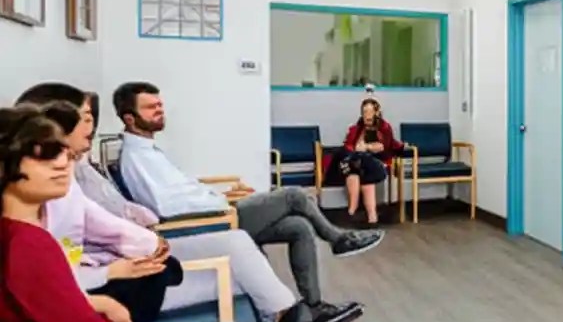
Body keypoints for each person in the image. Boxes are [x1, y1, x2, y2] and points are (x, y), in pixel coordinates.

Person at [18, 83, 359, 322]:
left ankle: (305, 315)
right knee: (292, 198)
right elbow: (162, 208)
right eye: (83, 119)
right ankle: (331, 255)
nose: (88, 129)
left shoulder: (80, 177)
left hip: (182, 228)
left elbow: (113, 223)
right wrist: (117, 265)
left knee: (287, 229)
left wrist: (153, 239)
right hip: (170, 241)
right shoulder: (49, 203)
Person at [112, 81, 383, 293]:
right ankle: (338, 239)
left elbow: (184, 192)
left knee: (299, 227)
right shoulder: (136, 160)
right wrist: (221, 203)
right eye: (150, 107)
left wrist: (220, 195)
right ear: (130, 118)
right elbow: (167, 207)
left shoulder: (149, 151)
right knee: (295, 195)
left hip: (219, 208)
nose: (159, 110)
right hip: (213, 220)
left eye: (160, 104)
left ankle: (313, 305)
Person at [335, 97, 403, 226]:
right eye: (364, 112)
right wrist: (356, 150)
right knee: (355, 172)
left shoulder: (383, 127)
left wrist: (367, 147)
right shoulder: (356, 129)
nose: (367, 115)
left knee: (362, 166)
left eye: (370, 112)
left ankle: (360, 213)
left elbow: (384, 148)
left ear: (377, 113)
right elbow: (348, 147)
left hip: (379, 164)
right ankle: (359, 214)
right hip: (360, 165)